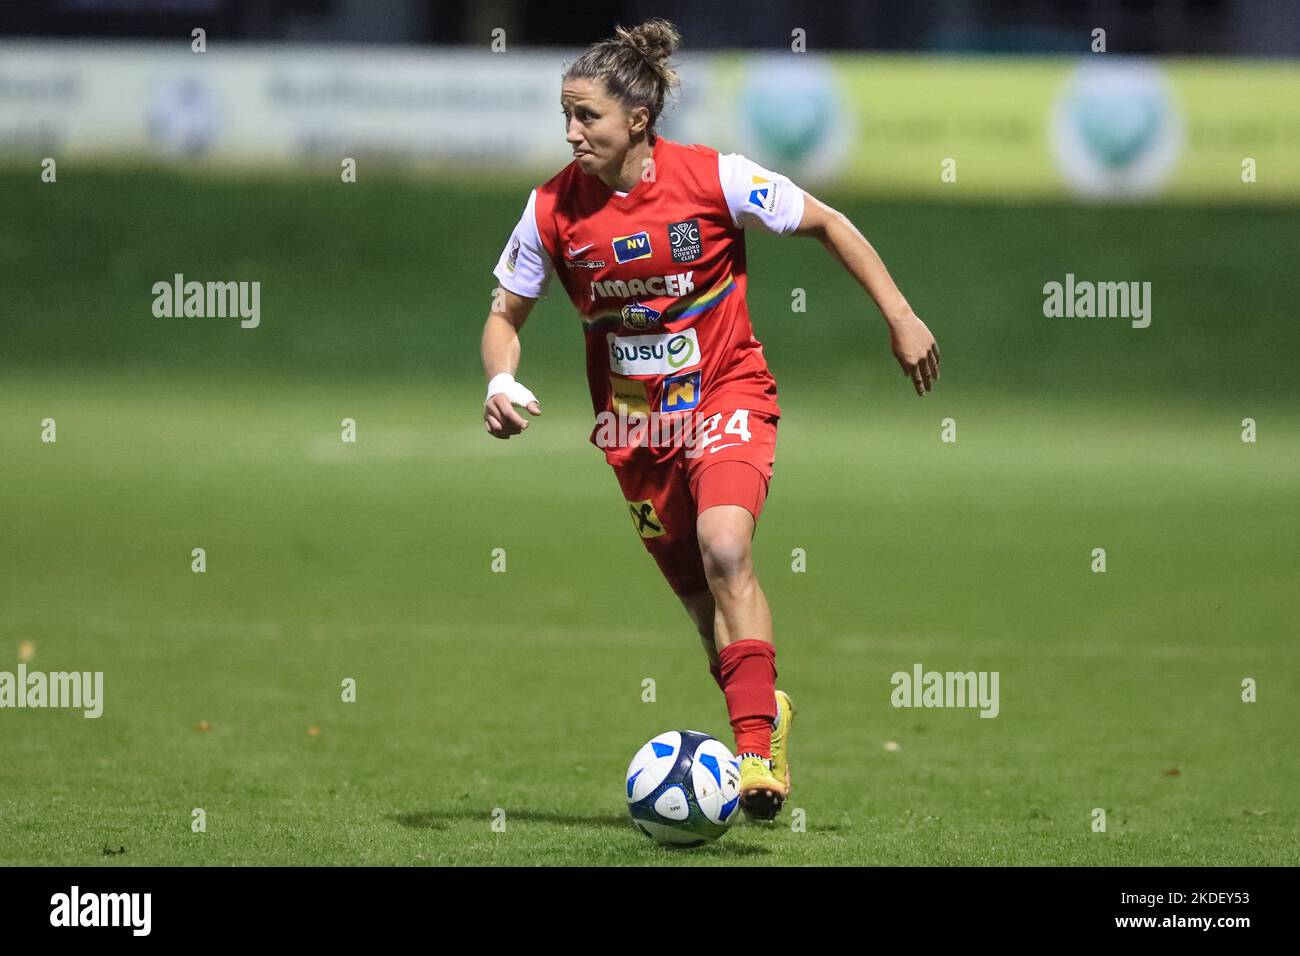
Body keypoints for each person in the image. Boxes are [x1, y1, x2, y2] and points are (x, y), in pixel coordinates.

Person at [481, 19, 940, 821]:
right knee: (705, 613)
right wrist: (500, 379)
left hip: (728, 394)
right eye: (566, 115)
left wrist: (901, 316)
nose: (572, 132)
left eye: (587, 115)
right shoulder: (550, 208)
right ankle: (765, 710)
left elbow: (827, 221)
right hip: (635, 430)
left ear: (638, 118)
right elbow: (505, 315)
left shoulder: (716, 179)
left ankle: (755, 751)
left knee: (726, 547)